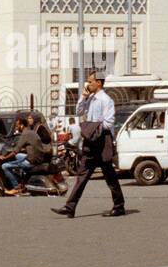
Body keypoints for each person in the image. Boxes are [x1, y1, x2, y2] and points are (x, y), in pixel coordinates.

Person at [52, 70, 125, 218]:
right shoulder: (90, 99)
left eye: (90, 81)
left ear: (99, 83)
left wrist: (90, 126)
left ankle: (119, 206)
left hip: (102, 141)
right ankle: (70, 207)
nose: (88, 84)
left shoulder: (106, 100)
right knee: (82, 175)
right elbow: (79, 111)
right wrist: (83, 97)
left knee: (109, 175)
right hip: (90, 141)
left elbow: (108, 122)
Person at [0, 117, 46, 194]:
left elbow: (15, 151)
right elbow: (29, 146)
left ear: (22, 126)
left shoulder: (25, 134)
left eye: (17, 126)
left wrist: (4, 158)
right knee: (19, 156)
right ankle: (22, 177)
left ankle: (16, 187)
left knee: (4, 166)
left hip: (31, 162)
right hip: (39, 158)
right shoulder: (32, 132)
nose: (17, 128)